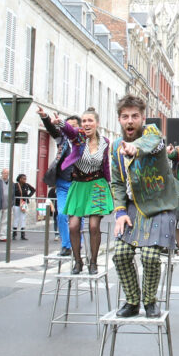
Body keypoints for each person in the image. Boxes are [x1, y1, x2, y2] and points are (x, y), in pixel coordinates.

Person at [110, 98, 179, 317]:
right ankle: (133, 301)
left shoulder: (153, 134)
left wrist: (135, 148)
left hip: (159, 204)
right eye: (125, 117)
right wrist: (121, 212)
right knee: (121, 255)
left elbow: (152, 142)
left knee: (150, 256)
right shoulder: (115, 147)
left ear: (143, 118)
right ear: (119, 120)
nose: (130, 121)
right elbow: (116, 182)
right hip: (133, 207)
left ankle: (150, 301)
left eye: (135, 116)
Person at [63, 108, 114, 274]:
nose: (86, 124)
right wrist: (57, 122)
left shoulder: (105, 142)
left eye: (89, 121)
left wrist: (110, 185)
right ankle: (78, 262)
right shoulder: (78, 138)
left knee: (93, 226)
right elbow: (68, 130)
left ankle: (93, 262)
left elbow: (105, 165)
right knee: (73, 226)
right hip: (79, 184)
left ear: (97, 123)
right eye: (84, 121)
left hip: (97, 185)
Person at [38, 107, 79, 255]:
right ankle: (66, 246)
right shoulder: (62, 140)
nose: (71, 128)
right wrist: (45, 117)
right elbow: (52, 130)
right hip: (62, 184)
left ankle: (77, 243)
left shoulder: (83, 142)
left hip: (77, 185)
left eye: (74, 125)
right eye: (68, 125)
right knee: (61, 215)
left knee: (76, 217)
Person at [12, 174, 34, 240]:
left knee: (23, 218)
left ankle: (22, 234)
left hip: (24, 203)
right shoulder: (15, 185)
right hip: (17, 203)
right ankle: (14, 233)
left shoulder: (26, 185)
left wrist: (28, 197)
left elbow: (33, 190)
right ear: (20, 179)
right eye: (23, 179)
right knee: (16, 218)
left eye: (25, 179)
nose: (25, 180)